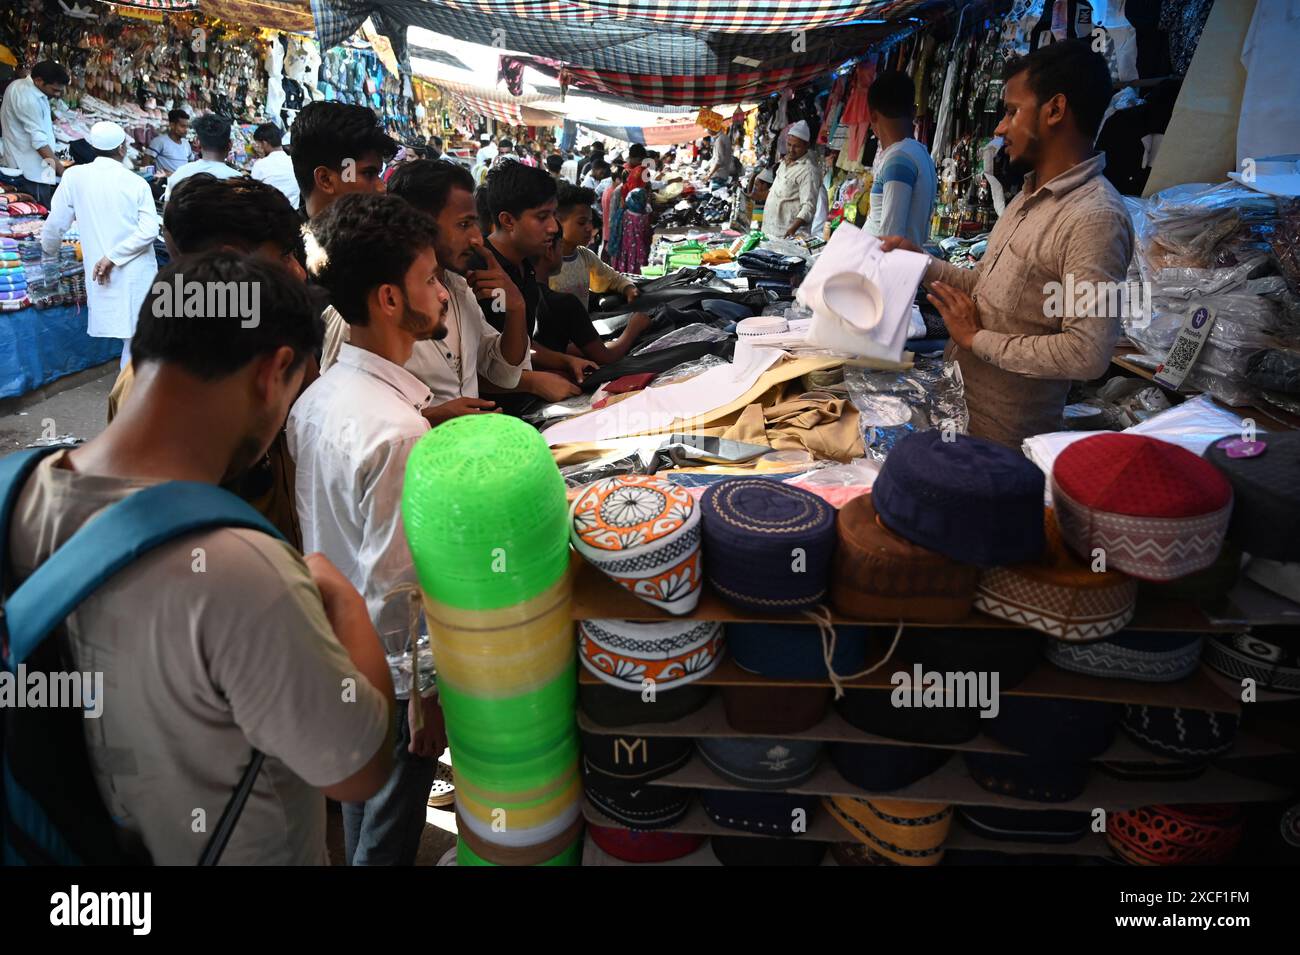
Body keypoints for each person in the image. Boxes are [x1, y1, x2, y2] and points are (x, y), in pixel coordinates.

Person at [7, 248, 395, 864]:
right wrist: (342, 598)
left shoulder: (10, 493)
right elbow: (358, 771)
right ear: (275, 371)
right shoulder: (242, 570)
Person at [288, 193, 449, 866]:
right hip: (385, 680)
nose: (443, 293)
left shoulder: (319, 396)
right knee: (386, 835)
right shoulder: (399, 431)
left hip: (332, 650)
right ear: (389, 298)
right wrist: (423, 699)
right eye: (431, 279)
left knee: (361, 816)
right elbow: (396, 589)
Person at [882, 39, 1133, 448]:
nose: (1000, 127)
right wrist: (922, 263)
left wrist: (977, 340)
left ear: (1055, 110)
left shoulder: (1095, 218)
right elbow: (983, 286)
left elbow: (1088, 352)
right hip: (958, 419)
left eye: (1012, 112)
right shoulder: (1026, 197)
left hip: (1004, 446)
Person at [107, 173, 309, 547]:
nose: (298, 271)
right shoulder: (160, 385)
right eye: (283, 255)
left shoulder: (253, 347)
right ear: (231, 264)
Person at [320, 158, 531, 422]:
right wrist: (430, 418)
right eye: (464, 225)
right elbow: (335, 416)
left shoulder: (460, 289)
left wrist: (516, 308)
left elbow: (503, 374)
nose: (477, 238)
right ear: (420, 223)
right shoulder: (357, 311)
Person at [41, 122, 159, 368]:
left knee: (134, 340)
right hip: (134, 270)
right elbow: (150, 230)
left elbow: (55, 225)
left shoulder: (75, 176)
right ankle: (130, 398)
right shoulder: (135, 182)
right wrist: (113, 257)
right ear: (122, 148)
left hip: (102, 269)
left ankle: (128, 397)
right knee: (138, 339)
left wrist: (48, 254)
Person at [478, 160, 595, 401]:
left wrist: (565, 360)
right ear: (508, 221)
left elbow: (522, 342)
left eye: (553, 215)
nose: (553, 227)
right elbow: (467, 366)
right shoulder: (477, 271)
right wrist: (532, 383)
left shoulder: (527, 263)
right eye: (542, 217)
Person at [864, 70, 938, 249]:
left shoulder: (899, 159)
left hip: (883, 272)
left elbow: (891, 238)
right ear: (913, 111)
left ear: (873, 116)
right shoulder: (921, 154)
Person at [290, 101, 397, 221]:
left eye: (378, 174)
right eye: (368, 174)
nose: (382, 187)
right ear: (325, 179)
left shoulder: (383, 233)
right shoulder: (282, 238)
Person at [0, 60, 70, 205]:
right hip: (30, 171)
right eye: (55, 90)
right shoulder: (27, 97)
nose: (57, 95)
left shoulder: (27, 88)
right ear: (38, 81)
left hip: (36, 166)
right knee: (38, 212)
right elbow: (39, 142)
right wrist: (62, 171)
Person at [164, 113, 241, 202]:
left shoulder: (180, 174)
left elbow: (168, 211)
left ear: (197, 142)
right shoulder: (238, 181)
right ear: (230, 144)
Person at [764, 120, 820, 238]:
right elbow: (777, 192)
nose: (791, 149)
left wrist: (793, 229)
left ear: (806, 146)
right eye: (789, 144)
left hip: (787, 233)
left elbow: (809, 206)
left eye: (796, 146)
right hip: (770, 229)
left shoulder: (808, 170)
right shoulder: (784, 163)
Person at [250, 122, 301, 209]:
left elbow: (252, 195)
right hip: (293, 216)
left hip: (270, 217)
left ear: (265, 143)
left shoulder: (260, 165)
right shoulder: (294, 162)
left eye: (258, 145)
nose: (258, 148)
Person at [147, 109, 192, 176]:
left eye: (187, 127)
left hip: (183, 184)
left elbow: (191, 162)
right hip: (166, 184)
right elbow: (145, 164)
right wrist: (155, 176)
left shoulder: (186, 144)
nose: (186, 130)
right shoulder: (159, 141)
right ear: (172, 125)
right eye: (182, 126)